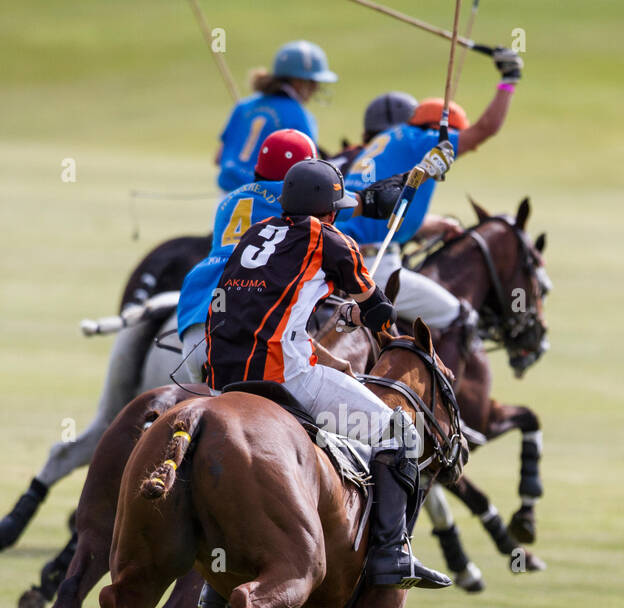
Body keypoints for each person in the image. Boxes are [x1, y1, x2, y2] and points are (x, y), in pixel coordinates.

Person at [203, 158, 454, 590]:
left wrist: (346, 312)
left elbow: (280, 299)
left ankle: (215, 583)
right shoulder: (329, 239)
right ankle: (392, 553)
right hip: (282, 378)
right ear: (329, 210)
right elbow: (380, 309)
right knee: (401, 434)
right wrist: (371, 317)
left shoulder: (255, 235)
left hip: (220, 379)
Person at [178, 129, 416, 382]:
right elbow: (344, 204)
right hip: (242, 321)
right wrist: (378, 197)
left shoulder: (232, 199)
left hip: (194, 320)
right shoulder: (289, 203)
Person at [338, 46, 524, 335]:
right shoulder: (426, 142)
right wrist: (508, 79)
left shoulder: (391, 139)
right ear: (440, 130)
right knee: (460, 318)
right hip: (372, 266)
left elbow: (377, 210)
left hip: (339, 253)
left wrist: (432, 225)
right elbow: (487, 128)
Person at [216, 40, 337, 193]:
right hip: (267, 201)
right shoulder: (300, 116)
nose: (316, 88)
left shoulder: (243, 107)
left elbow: (218, 157)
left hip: (227, 200)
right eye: (313, 82)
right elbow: (306, 171)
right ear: (298, 82)